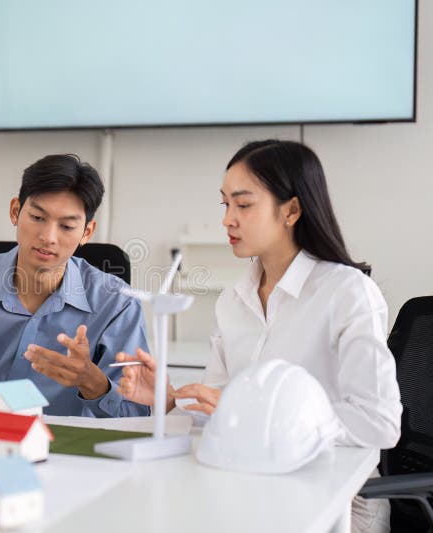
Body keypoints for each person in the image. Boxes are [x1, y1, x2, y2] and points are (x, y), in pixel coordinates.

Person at [116, 140, 402, 533]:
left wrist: (257, 415)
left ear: (291, 211)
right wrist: (168, 400)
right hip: (248, 481)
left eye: (243, 205)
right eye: (225, 204)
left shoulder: (347, 293)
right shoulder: (233, 302)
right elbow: (218, 412)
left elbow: (379, 422)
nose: (227, 220)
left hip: (338, 500)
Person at [0, 154, 150, 417]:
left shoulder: (118, 303)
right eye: (37, 217)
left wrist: (93, 382)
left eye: (67, 226)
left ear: (87, 232)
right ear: (15, 211)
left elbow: (135, 414)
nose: (48, 237)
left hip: (64, 441)